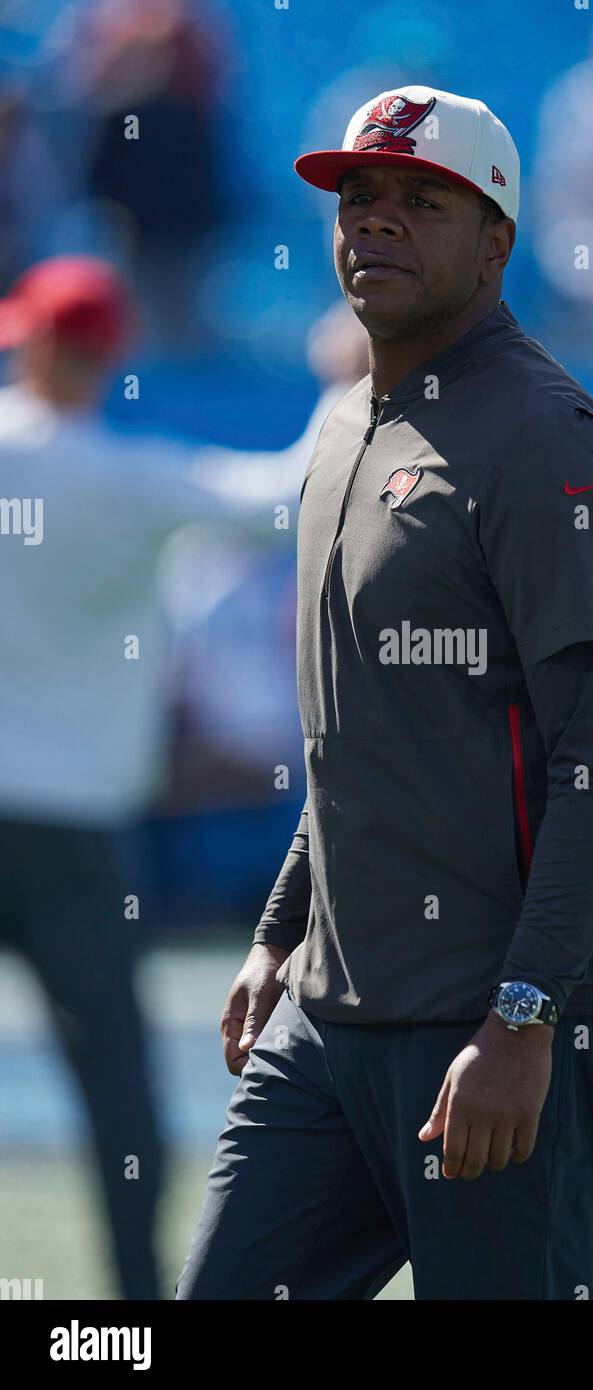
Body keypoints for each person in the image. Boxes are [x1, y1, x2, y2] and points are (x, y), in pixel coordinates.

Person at [177, 84, 593, 1303]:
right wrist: (282, 926)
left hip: (499, 1006)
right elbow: (355, 735)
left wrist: (520, 1019)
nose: (377, 222)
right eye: (359, 199)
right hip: (341, 999)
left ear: (497, 239)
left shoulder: (549, 441)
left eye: (419, 200)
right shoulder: (348, 424)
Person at [0, 254, 286, 1298]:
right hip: (77, 831)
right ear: (112, 353)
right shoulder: (131, 480)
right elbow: (282, 496)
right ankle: (135, 1309)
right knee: (117, 1092)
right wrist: (360, 376)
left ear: (32, 340)